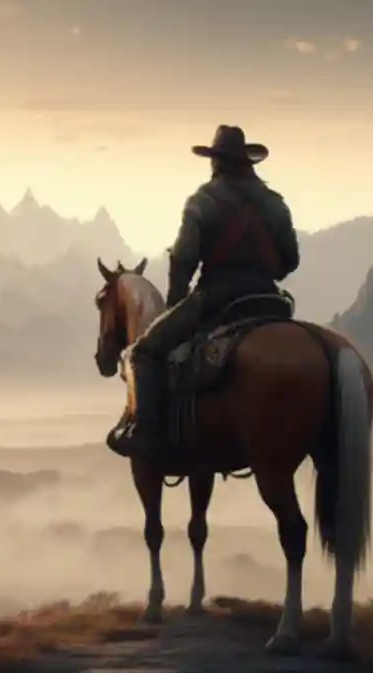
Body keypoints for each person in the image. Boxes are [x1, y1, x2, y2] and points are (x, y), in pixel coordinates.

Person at [108, 125, 300, 460]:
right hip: (269, 299)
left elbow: (183, 261)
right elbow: (289, 263)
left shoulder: (203, 202)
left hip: (218, 296)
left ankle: (145, 433)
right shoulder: (275, 203)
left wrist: (174, 305)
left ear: (217, 162)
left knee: (144, 352)